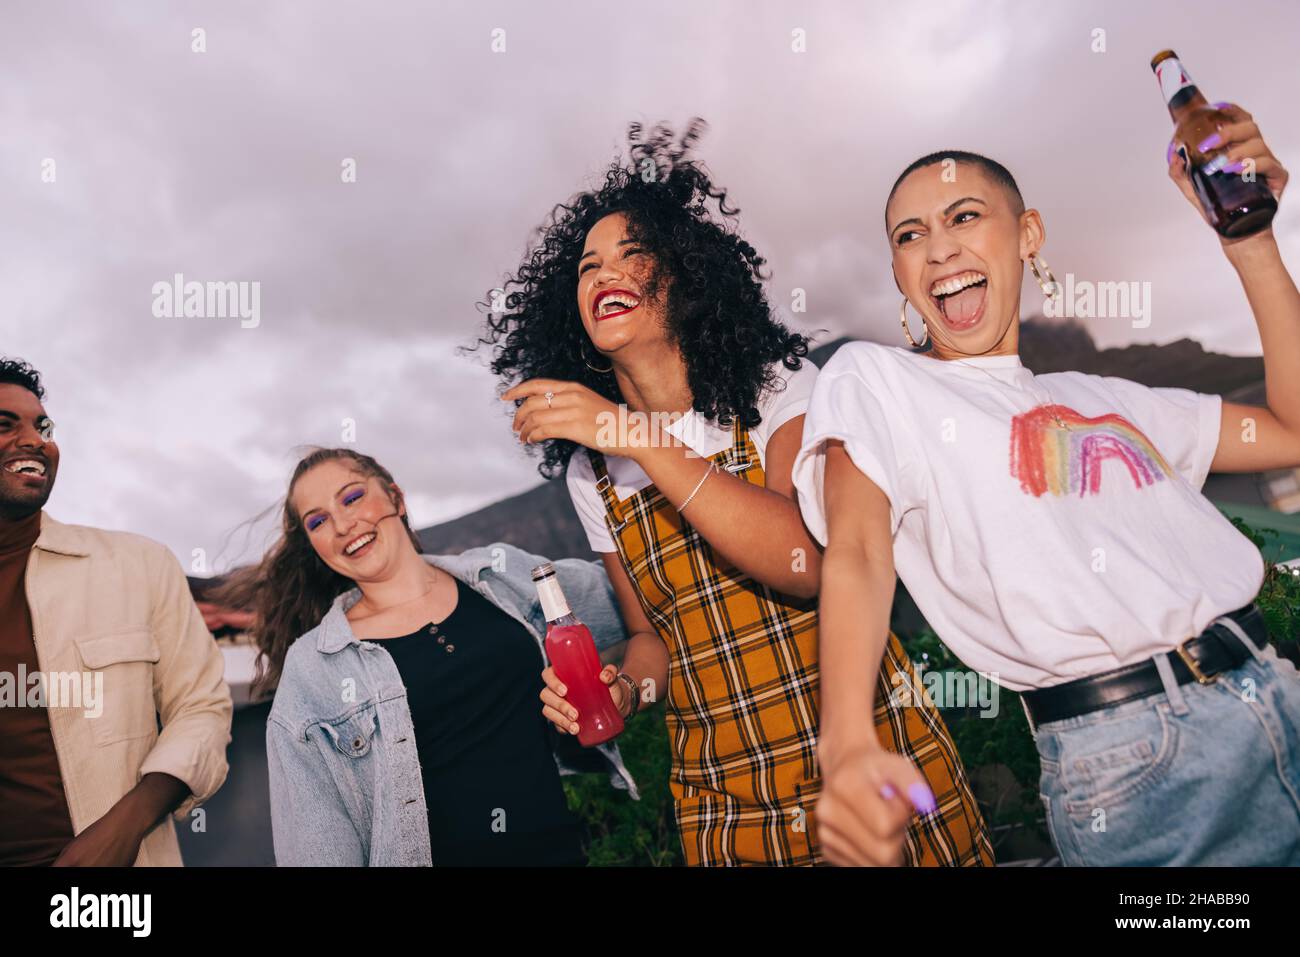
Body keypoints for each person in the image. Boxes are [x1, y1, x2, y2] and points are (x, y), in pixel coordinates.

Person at [793, 106, 1300, 865]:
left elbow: (1289, 432)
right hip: (1140, 761)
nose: (938, 249)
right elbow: (860, 551)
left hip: (1277, 682)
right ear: (897, 273)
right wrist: (846, 746)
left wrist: (1251, 242)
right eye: (909, 236)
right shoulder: (877, 381)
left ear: (1028, 235)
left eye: (964, 215)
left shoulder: (1113, 397)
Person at [478, 121, 992, 865]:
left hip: (871, 775)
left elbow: (807, 560)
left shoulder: (779, 392)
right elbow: (656, 638)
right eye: (587, 267)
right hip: (725, 809)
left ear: (684, 276)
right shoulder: (591, 470)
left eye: (632, 253)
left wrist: (635, 437)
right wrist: (626, 691)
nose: (603, 274)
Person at [229, 447, 637, 866]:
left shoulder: (499, 576)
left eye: (352, 497)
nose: (343, 524)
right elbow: (315, 848)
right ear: (313, 545)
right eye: (317, 521)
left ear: (396, 498)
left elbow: (639, 600)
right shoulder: (315, 668)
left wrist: (625, 687)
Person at [0, 357, 232, 866]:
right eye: (5, 424)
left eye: (42, 426)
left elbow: (201, 709)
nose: (36, 441)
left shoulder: (139, 565)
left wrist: (125, 827)